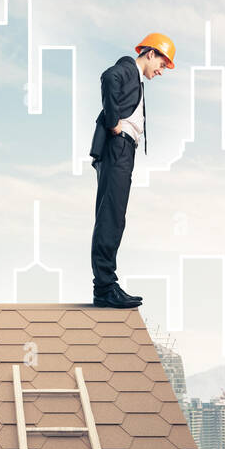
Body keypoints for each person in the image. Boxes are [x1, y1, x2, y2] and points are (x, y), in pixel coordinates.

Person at [88, 33, 176, 308]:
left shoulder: (136, 79)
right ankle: (104, 287)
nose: (161, 71)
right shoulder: (127, 68)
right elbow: (107, 77)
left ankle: (107, 284)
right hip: (117, 147)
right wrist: (114, 121)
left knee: (115, 216)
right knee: (111, 216)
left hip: (123, 151)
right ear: (150, 54)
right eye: (162, 64)